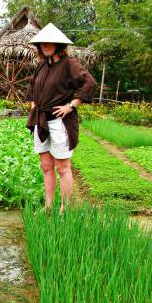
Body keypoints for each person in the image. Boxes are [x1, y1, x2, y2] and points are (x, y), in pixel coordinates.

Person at [26, 23, 96, 211]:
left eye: (50, 43)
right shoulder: (41, 66)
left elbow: (89, 82)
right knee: (46, 166)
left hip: (60, 121)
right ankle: (49, 206)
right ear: (39, 46)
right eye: (42, 43)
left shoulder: (69, 64)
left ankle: (65, 208)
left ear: (58, 45)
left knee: (63, 167)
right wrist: (33, 105)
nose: (46, 46)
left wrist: (71, 105)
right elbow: (32, 87)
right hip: (41, 120)